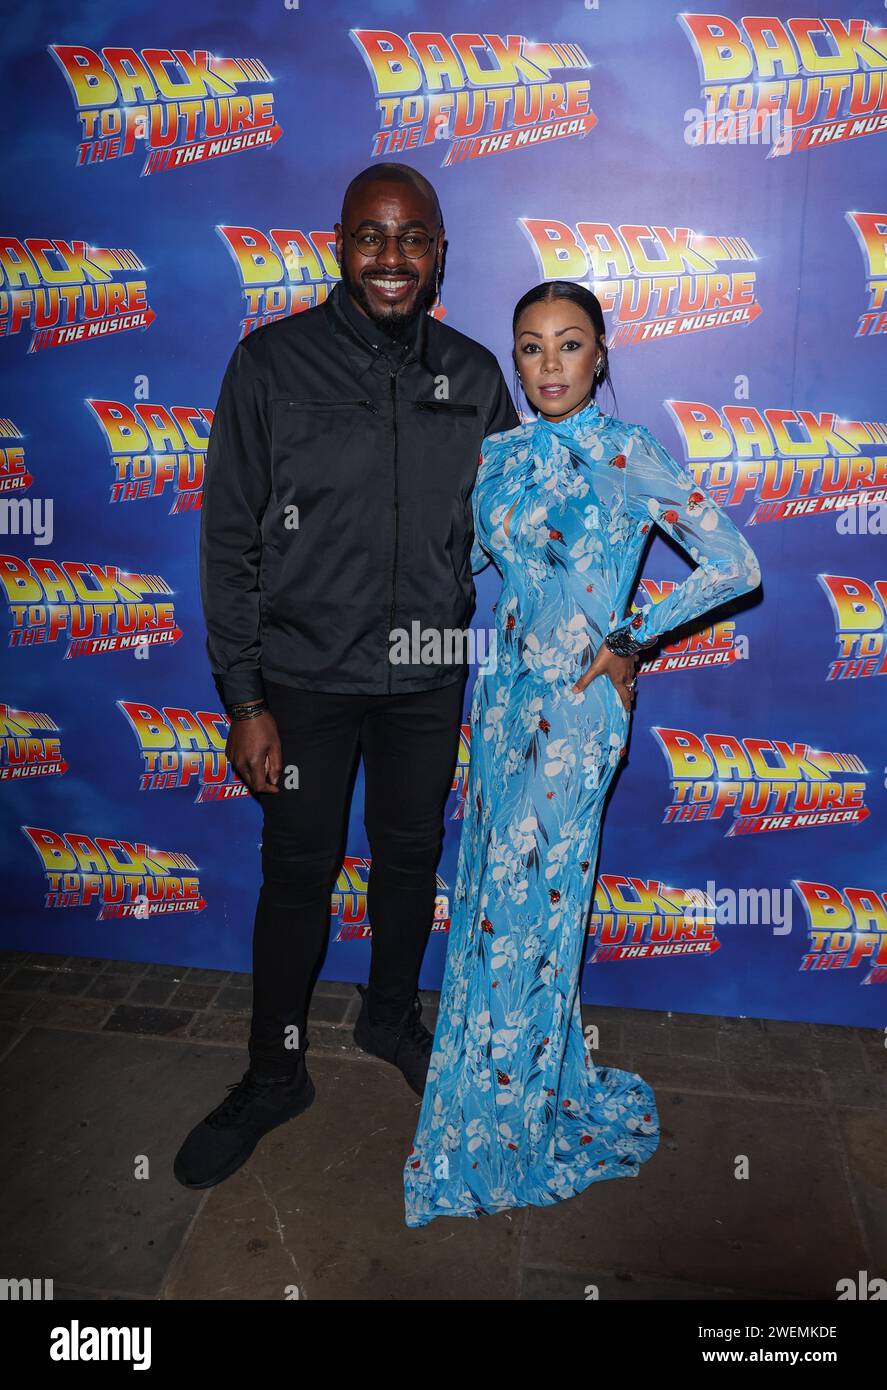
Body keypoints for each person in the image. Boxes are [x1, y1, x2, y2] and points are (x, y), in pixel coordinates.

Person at [174, 163, 519, 1190]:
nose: (390, 257)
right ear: (339, 242)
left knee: (411, 860)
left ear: (439, 252)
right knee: (296, 872)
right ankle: (274, 1073)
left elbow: (524, 531)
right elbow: (228, 538)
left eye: (411, 238)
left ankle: (387, 1019)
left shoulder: (473, 375)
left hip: (426, 668)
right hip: (303, 676)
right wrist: (245, 698)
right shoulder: (269, 364)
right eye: (371, 236)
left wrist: (601, 637)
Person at [403, 281, 762, 1226]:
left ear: (600, 357)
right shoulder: (499, 458)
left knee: (538, 922)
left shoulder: (627, 452)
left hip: (576, 720)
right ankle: (488, 1104)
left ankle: (514, 1131)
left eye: (569, 345)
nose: (549, 365)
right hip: (500, 708)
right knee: (488, 910)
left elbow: (734, 563)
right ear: (513, 360)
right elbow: (470, 571)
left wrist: (633, 637)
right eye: (530, 347)